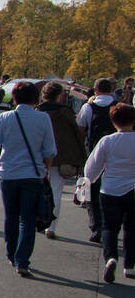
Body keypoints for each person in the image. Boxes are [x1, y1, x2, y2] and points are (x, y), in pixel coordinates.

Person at [0, 80, 57, 277]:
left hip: (8, 173)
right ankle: (22, 260)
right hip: (32, 174)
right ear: (35, 98)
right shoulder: (43, 119)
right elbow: (49, 150)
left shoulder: (4, 118)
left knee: (11, 216)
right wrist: (44, 170)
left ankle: (11, 253)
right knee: (27, 219)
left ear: (14, 98)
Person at [83, 103, 135, 282]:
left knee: (109, 228)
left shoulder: (107, 141)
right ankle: (129, 266)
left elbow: (91, 168)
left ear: (113, 121)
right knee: (131, 229)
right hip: (133, 189)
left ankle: (111, 258)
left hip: (110, 189)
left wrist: (85, 185)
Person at [37, 81, 86, 239]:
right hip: (62, 155)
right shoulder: (66, 112)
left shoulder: (38, 111)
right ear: (59, 95)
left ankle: (37, 219)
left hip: (39, 155)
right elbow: (77, 134)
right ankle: (51, 227)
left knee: (38, 190)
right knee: (56, 191)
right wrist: (81, 157)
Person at [78, 78, 122, 244]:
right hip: (115, 156)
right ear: (111, 90)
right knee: (111, 193)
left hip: (92, 153)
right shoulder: (118, 107)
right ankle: (110, 227)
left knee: (91, 191)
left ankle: (95, 226)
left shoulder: (88, 107)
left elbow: (81, 130)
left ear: (95, 90)